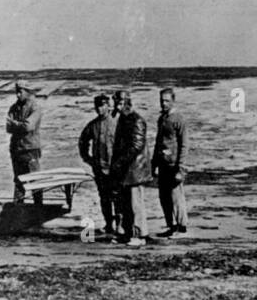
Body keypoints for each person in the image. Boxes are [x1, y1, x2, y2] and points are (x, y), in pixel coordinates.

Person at [110, 90, 153, 245]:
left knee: (136, 204)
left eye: (121, 103)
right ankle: (128, 233)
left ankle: (139, 235)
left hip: (135, 169)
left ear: (127, 103)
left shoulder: (136, 120)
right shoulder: (124, 119)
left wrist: (120, 162)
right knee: (125, 204)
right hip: (126, 169)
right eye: (117, 104)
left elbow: (136, 146)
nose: (118, 107)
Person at [78, 93, 119, 237]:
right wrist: (88, 159)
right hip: (99, 168)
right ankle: (109, 225)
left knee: (117, 197)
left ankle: (119, 225)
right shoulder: (93, 125)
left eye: (102, 106)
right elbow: (83, 142)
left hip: (114, 168)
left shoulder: (116, 123)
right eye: (97, 106)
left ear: (108, 106)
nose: (100, 109)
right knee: (104, 197)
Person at [153, 87, 189, 237]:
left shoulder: (179, 119)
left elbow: (184, 144)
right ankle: (171, 226)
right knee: (164, 197)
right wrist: (153, 163)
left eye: (167, 101)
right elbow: (158, 142)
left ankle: (182, 227)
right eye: (162, 101)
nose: (164, 104)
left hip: (174, 165)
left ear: (173, 101)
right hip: (162, 165)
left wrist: (180, 168)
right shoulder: (162, 119)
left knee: (176, 197)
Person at [5, 82, 43, 205]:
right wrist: (19, 125)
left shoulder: (35, 108)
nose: (17, 95)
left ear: (27, 92)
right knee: (18, 181)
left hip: (30, 149)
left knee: (35, 180)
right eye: (17, 92)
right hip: (16, 149)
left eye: (20, 92)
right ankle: (17, 208)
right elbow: (8, 127)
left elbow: (28, 126)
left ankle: (39, 207)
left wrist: (15, 123)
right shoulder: (13, 108)